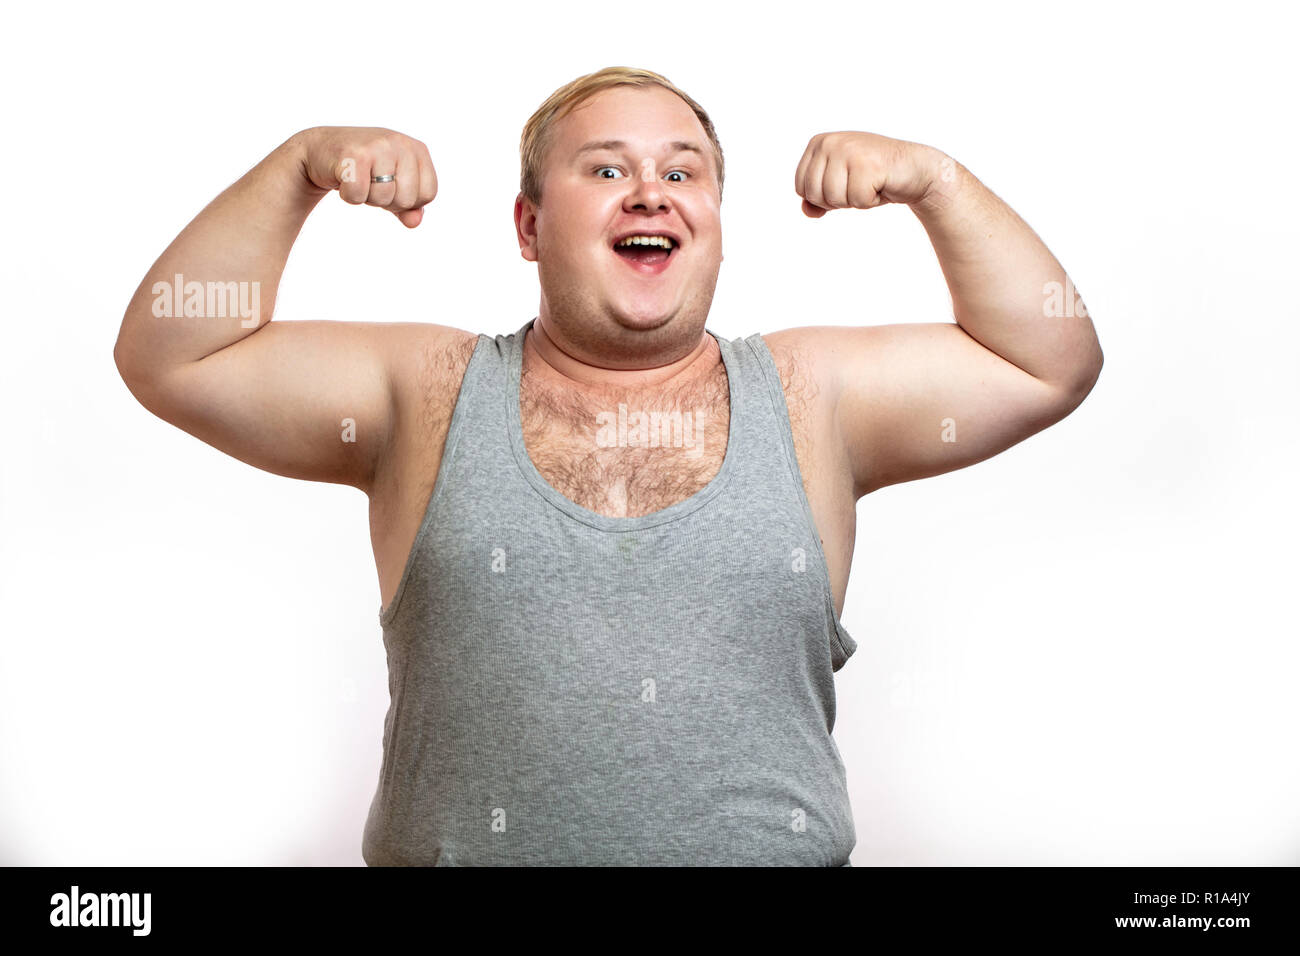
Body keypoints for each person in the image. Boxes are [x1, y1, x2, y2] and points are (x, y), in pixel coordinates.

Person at [113, 66, 1103, 866]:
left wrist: (936, 181)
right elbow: (170, 354)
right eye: (604, 169)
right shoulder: (422, 389)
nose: (649, 193)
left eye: (682, 173)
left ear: (714, 217)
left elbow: (1048, 359)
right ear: (529, 226)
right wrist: (296, 171)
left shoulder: (815, 394)